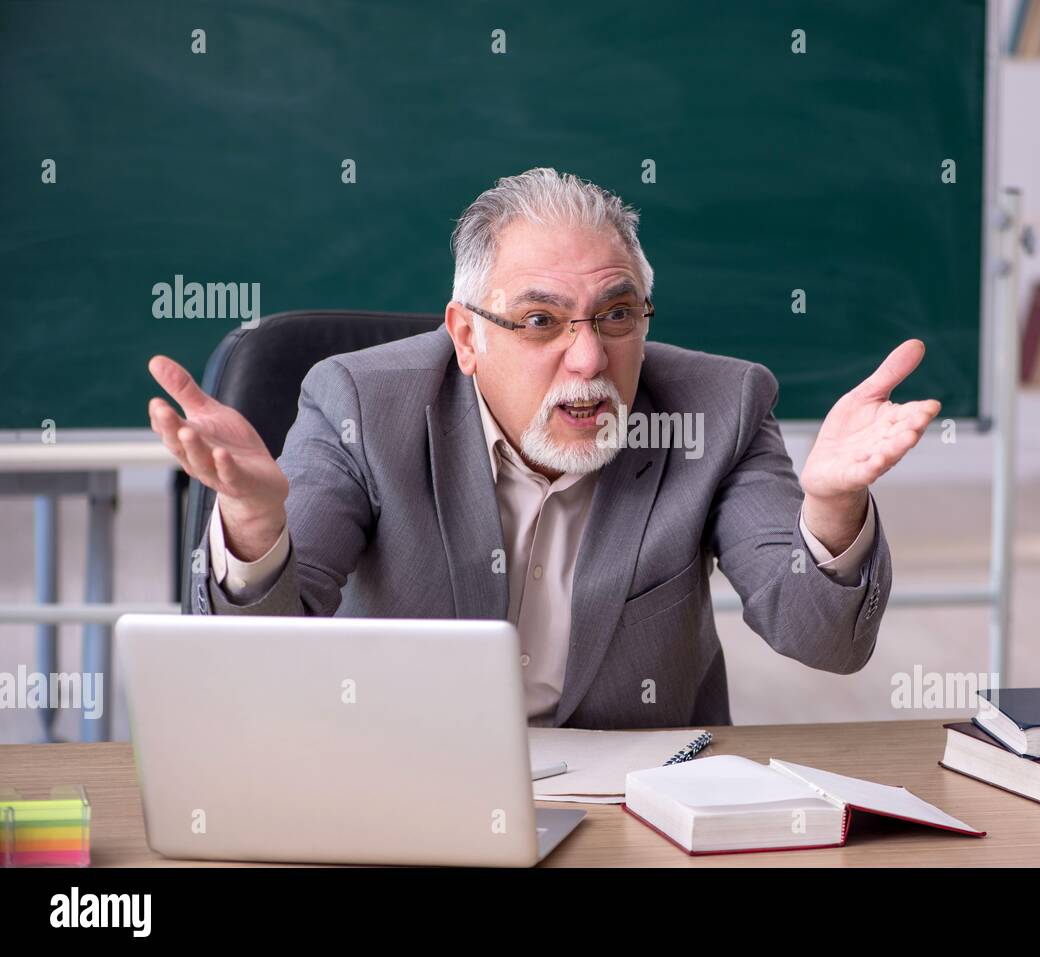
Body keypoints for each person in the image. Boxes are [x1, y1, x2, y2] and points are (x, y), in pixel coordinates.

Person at [147, 167, 940, 729]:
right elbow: (259, 649)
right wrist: (253, 521)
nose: (589, 359)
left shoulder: (720, 408)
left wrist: (833, 506)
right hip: (406, 786)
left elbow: (823, 637)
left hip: (641, 808)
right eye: (539, 322)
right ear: (465, 336)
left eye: (617, 315)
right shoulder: (358, 403)